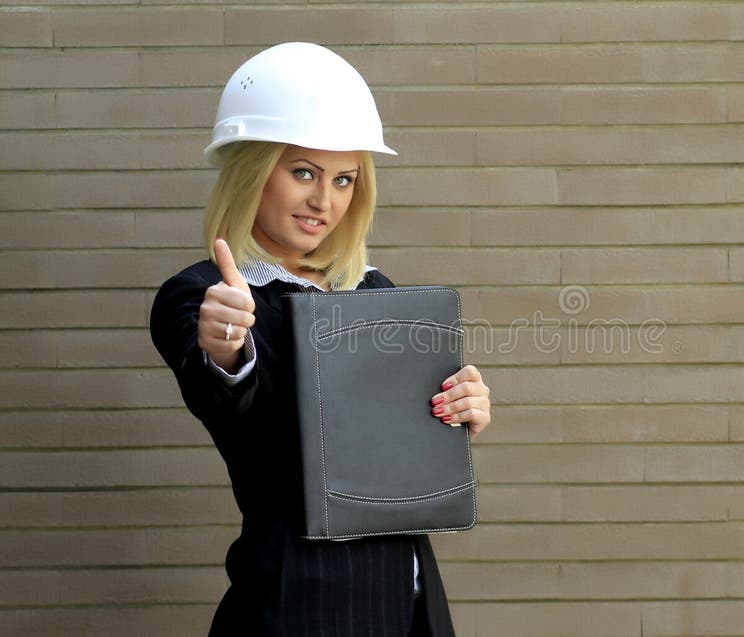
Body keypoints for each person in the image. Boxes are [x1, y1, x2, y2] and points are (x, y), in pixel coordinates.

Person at [149, 42, 491, 636]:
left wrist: (456, 408)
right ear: (254, 171)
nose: (323, 201)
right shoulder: (201, 293)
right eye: (303, 172)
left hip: (410, 598)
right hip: (301, 603)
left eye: (344, 179)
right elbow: (227, 397)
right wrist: (226, 345)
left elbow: (399, 449)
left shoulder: (373, 288)